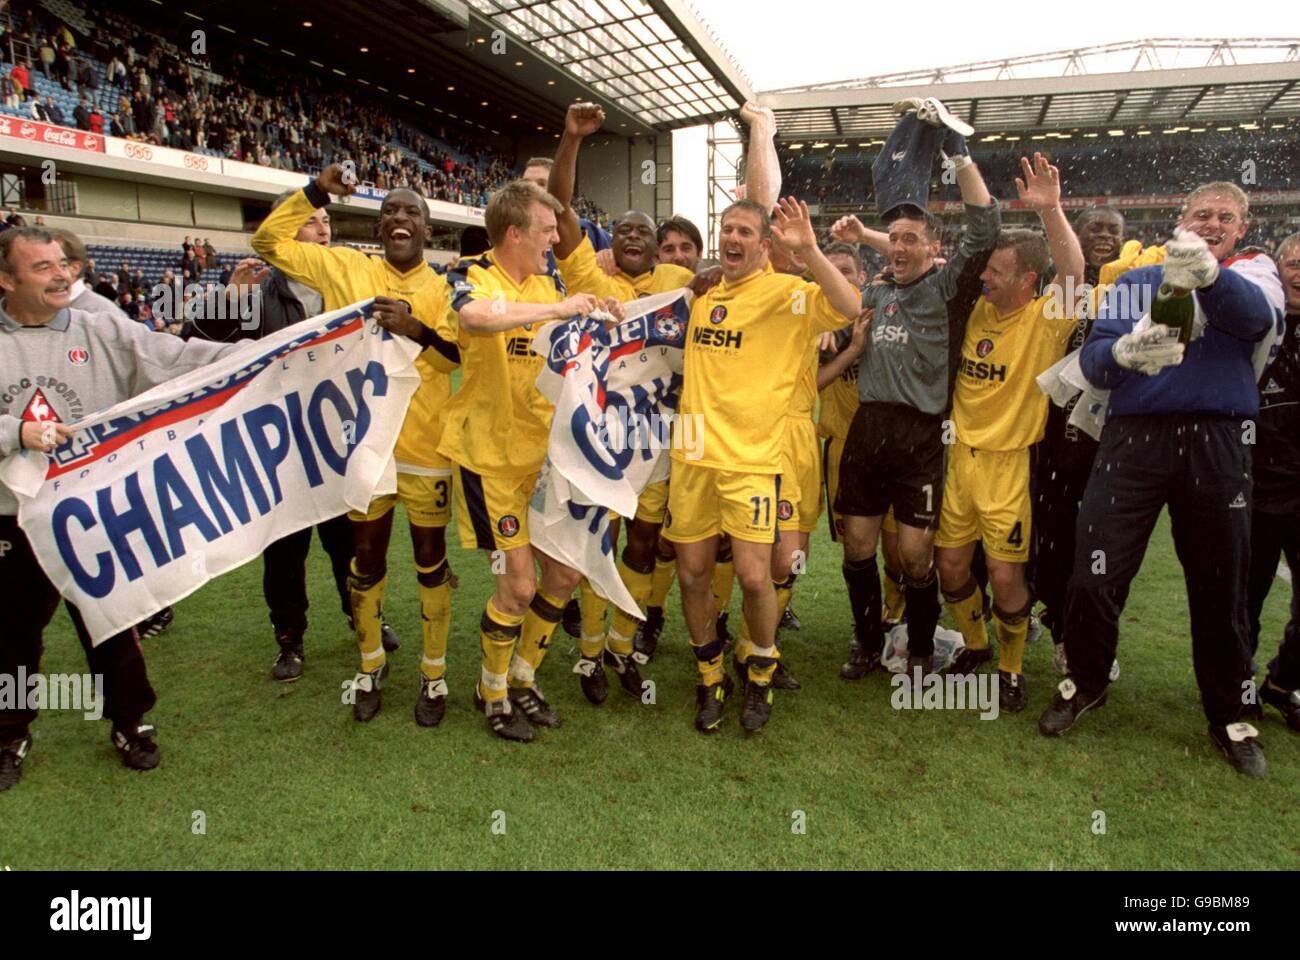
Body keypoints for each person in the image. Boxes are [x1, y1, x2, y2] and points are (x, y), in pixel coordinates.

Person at [1038, 182, 1284, 779]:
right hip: (1134, 439)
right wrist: (1124, 352)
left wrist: (1207, 275)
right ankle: (1087, 680)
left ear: (1242, 229)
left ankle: (1230, 711)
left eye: (1226, 216)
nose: (1213, 222)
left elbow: (1254, 322)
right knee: (1094, 572)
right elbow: (1093, 365)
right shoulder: (1135, 284)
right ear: (1181, 220)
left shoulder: (1251, 278)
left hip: (1217, 442)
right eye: (1202, 214)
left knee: (1221, 583)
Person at [0, 228, 240, 790]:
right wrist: (17, 432)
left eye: (62, 263)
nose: (61, 274)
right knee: (10, 633)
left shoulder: (100, 324)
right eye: (42, 268)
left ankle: (130, 722)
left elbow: (177, 359)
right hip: (11, 517)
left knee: (111, 622)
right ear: (6, 279)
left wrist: (262, 354)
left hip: (91, 510)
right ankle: (10, 732)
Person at [252, 163, 459, 726]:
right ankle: (369, 667)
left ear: (427, 227)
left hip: (426, 450)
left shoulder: (445, 289)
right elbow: (266, 240)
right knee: (363, 560)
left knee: (430, 562)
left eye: (411, 211)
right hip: (364, 449)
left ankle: (434, 677)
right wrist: (317, 191)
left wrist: (417, 330)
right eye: (389, 210)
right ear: (376, 225)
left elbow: (457, 359)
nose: (399, 218)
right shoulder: (345, 267)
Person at [666, 196, 860, 734]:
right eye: (727, 230)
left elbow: (846, 304)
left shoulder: (788, 295)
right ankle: (710, 678)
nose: (733, 239)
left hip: (752, 460)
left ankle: (760, 672)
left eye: (745, 232)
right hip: (693, 455)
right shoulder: (703, 296)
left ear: (764, 245)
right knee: (693, 572)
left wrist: (811, 249)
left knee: (755, 578)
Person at [195, 193, 396, 680]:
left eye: (326, 221)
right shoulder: (261, 293)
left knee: (349, 544)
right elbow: (199, 342)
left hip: (337, 439)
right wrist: (231, 296)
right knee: (284, 551)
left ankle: (364, 620)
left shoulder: (350, 289)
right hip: (281, 445)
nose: (322, 229)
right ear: (287, 233)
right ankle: (290, 639)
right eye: (310, 222)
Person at [832, 100, 999, 682]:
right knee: (856, 545)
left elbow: (987, 227)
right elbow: (846, 330)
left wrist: (957, 149)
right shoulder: (877, 293)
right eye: (892, 238)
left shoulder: (950, 287)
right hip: (869, 426)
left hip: (921, 435)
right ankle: (865, 639)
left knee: (913, 555)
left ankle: (923, 648)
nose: (899, 247)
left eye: (911, 239)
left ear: (934, 247)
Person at [442, 179, 608, 742]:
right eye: (545, 230)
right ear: (514, 232)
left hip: (544, 458)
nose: (554, 240)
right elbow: (476, 319)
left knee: (562, 573)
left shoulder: (549, 277)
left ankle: (522, 676)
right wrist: (558, 306)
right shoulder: (468, 273)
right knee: (516, 586)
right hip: (488, 460)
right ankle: (490, 692)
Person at [547, 102, 695, 705]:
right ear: (613, 242)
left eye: (646, 234)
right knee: (593, 542)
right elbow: (559, 210)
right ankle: (587, 658)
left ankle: (623, 646)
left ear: (660, 251)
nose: (634, 238)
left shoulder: (678, 286)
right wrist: (571, 139)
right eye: (625, 231)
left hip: (656, 440)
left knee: (642, 543)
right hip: (600, 437)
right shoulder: (592, 282)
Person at [933, 154, 1085, 713]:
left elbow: (1074, 277)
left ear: (1026, 278)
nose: (984, 277)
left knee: (1003, 573)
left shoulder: (1046, 317)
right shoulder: (975, 310)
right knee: (950, 566)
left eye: (996, 271)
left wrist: (1051, 211)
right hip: (959, 462)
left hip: (1011, 465)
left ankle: (1011, 670)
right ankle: (975, 647)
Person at [1244, 231, 1300, 732]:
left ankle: (1283, 685)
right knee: (1247, 600)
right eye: (1293, 262)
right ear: (1275, 269)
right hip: (1258, 485)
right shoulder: (1256, 323)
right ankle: (1239, 692)